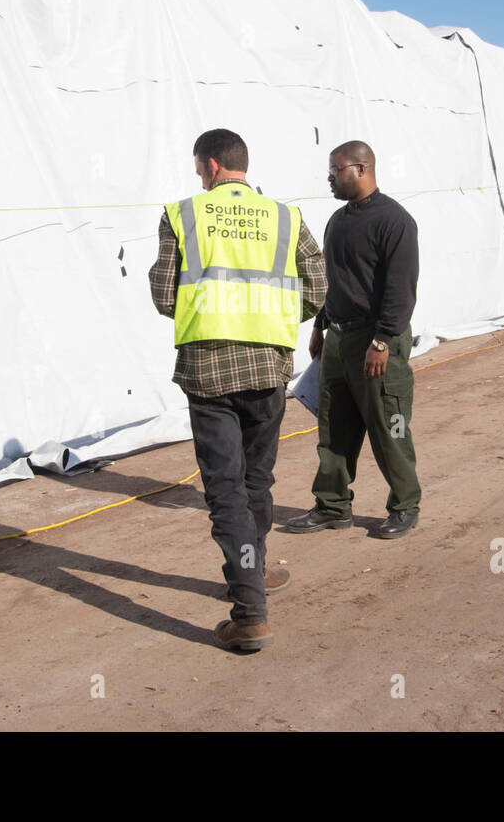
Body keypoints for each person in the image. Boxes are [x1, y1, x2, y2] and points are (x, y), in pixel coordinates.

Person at [149, 129, 326, 651]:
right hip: (268, 366)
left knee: (225, 487)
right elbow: (316, 289)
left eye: (196, 168)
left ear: (208, 166)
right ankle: (255, 568)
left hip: (207, 369)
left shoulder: (183, 215)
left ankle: (249, 610)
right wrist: (268, 318)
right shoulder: (286, 217)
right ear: (241, 166)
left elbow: (165, 295)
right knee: (257, 480)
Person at [283, 140, 422, 539]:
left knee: (388, 425)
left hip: (377, 339)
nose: (329, 178)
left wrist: (381, 341)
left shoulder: (394, 221)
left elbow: (401, 289)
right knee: (334, 427)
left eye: (335, 170)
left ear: (361, 169)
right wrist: (319, 326)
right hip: (338, 339)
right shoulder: (337, 221)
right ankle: (331, 505)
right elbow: (333, 280)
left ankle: (405, 506)